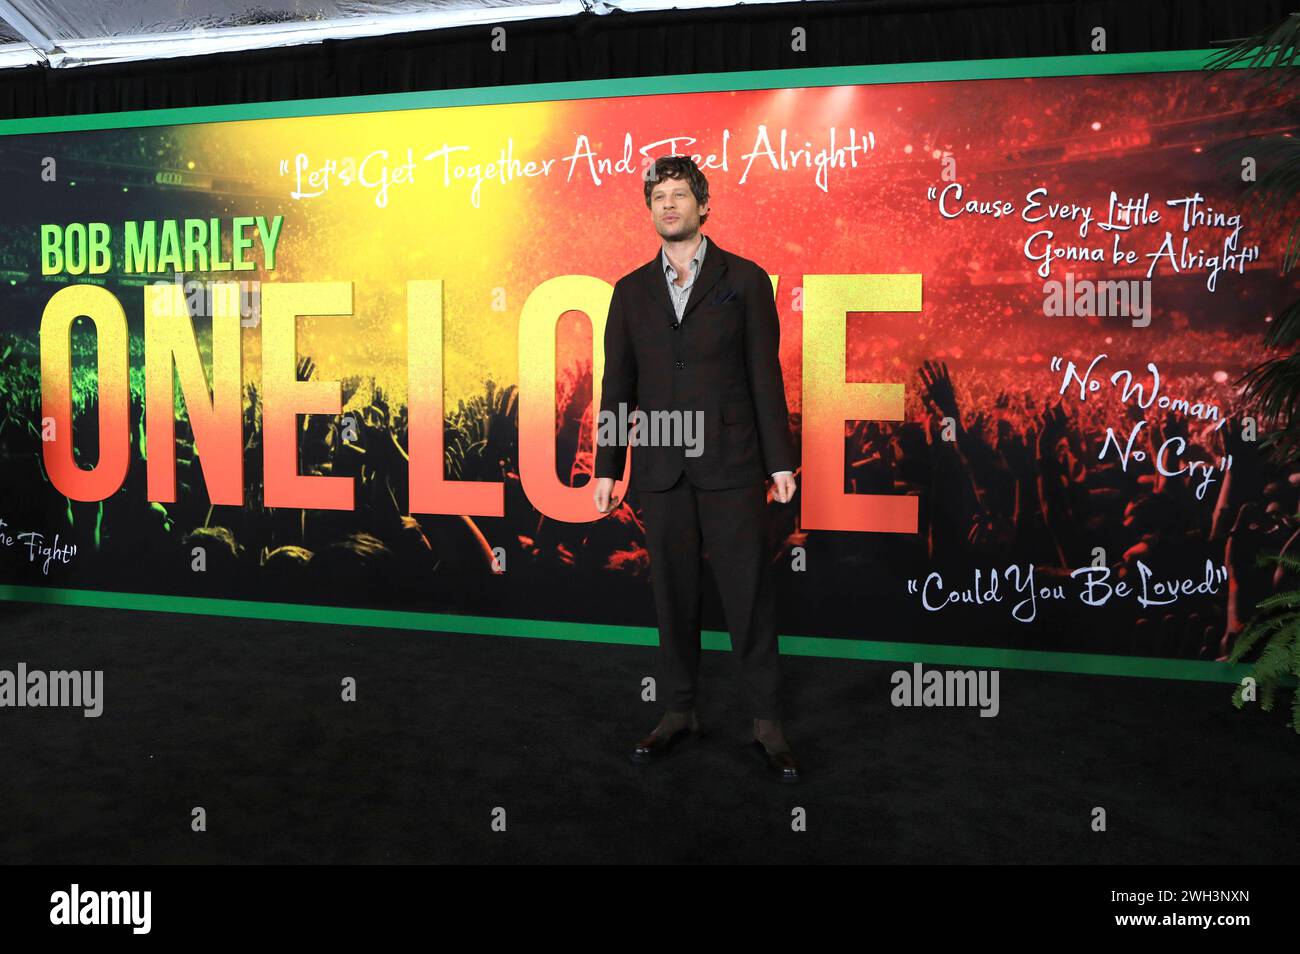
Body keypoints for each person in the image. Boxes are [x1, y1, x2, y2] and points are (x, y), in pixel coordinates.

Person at [592, 155, 801, 782]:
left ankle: (766, 722)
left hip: (734, 465)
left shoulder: (747, 279)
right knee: (672, 596)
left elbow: (765, 375)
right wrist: (608, 467)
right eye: (659, 198)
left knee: (750, 596)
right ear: (649, 209)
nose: (669, 206)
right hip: (660, 470)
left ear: (704, 206)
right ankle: (677, 711)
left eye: (680, 196)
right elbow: (616, 384)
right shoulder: (629, 291)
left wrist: (779, 461)